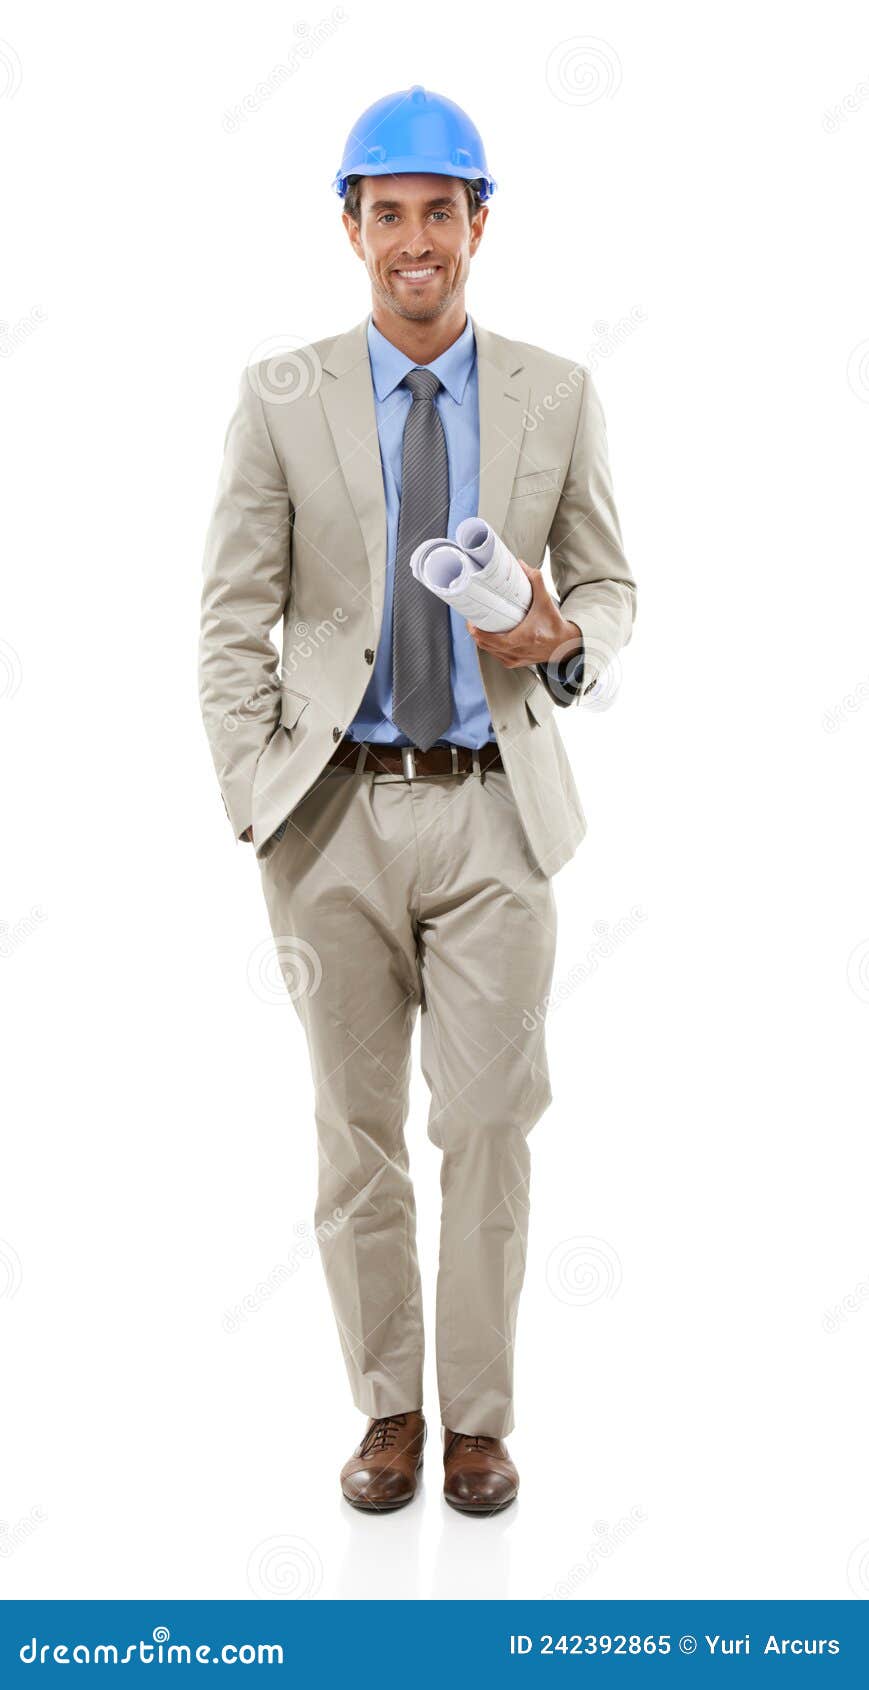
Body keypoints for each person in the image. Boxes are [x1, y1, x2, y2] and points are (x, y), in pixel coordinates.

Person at [199, 84, 636, 1515]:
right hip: (329, 814)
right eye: (386, 214)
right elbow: (234, 613)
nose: (414, 242)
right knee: (355, 1131)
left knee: (492, 1119)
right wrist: (255, 792)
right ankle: (390, 1409)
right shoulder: (280, 395)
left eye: (439, 212)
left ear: (478, 223)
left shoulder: (554, 392)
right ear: (352, 229)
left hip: (495, 808)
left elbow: (610, 586)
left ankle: (479, 1425)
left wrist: (561, 639)